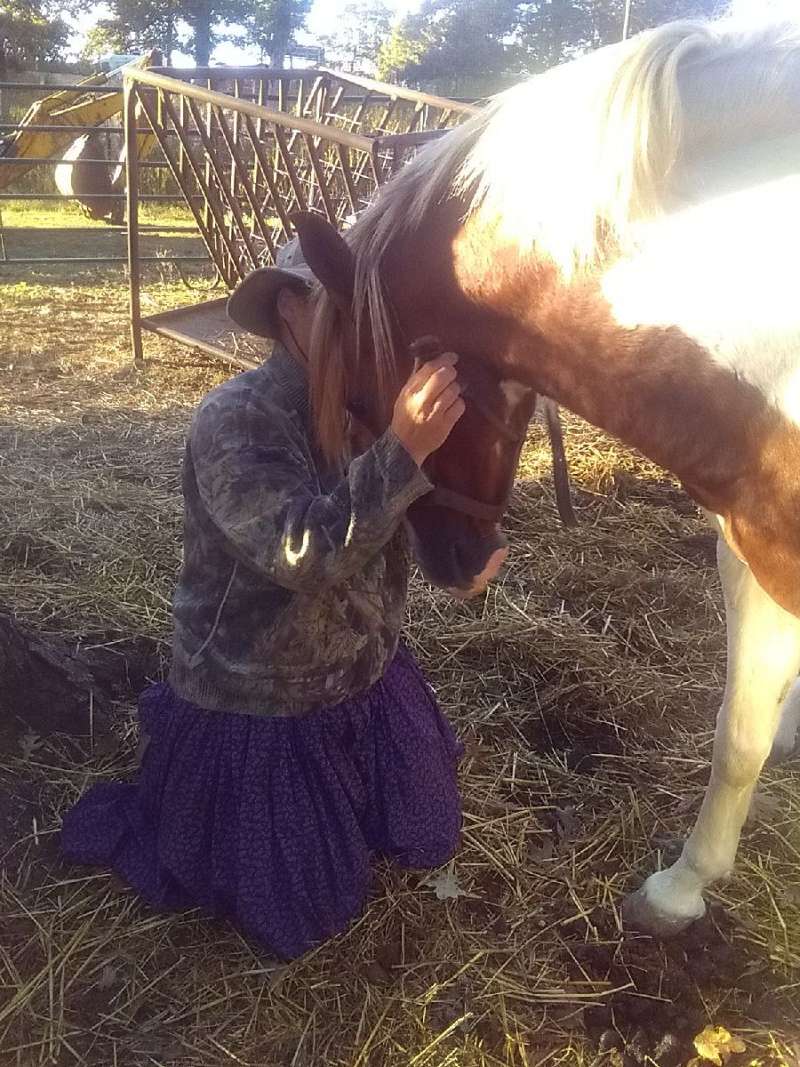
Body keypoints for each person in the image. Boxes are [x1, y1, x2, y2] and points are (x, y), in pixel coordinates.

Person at [61, 239, 497, 960]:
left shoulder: (369, 402)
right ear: (291, 309)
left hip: (366, 672)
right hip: (264, 699)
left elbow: (401, 520)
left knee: (427, 833)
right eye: (351, 311)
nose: (373, 331)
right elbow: (306, 553)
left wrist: (459, 555)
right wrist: (403, 450)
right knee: (308, 911)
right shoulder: (234, 419)